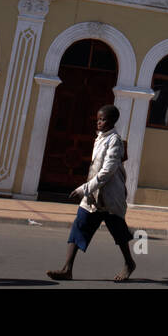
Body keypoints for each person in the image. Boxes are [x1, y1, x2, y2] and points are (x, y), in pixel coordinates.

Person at [47, 104, 137, 282]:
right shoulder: (100, 138)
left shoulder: (115, 141)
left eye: (103, 120)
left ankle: (129, 263)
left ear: (112, 121)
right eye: (98, 119)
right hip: (93, 197)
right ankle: (67, 269)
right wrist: (88, 191)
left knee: (118, 233)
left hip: (110, 198)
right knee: (79, 225)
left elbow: (107, 171)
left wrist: (84, 188)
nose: (99, 123)